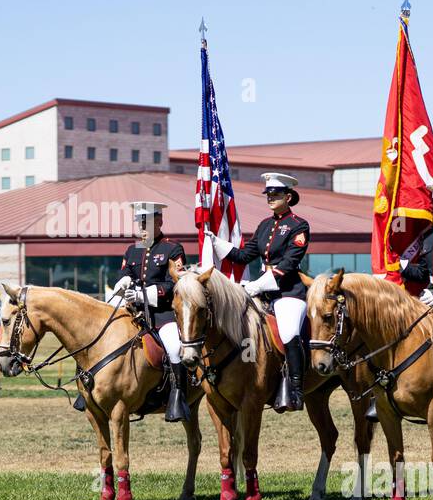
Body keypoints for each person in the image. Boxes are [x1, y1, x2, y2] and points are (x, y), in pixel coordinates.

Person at [204, 172, 310, 412]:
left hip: (288, 293)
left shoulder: (298, 225)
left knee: (289, 332)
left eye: (276, 194)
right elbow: (244, 256)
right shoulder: (265, 226)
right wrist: (217, 243)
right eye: (269, 194)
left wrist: (259, 284)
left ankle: (295, 388)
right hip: (262, 294)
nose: (270, 198)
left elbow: (289, 264)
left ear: (289, 196)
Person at [109, 201, 189, 421]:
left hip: (163, 315)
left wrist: (145, 295)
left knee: (174, 348)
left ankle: (177, 397)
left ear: (159, 221)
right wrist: (124, 282)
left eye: (147, 221)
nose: (142, 226)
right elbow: (125, 273)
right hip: (134, 314)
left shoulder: (172, 249)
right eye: (139, 221)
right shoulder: (133, 249)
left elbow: (174, 284)